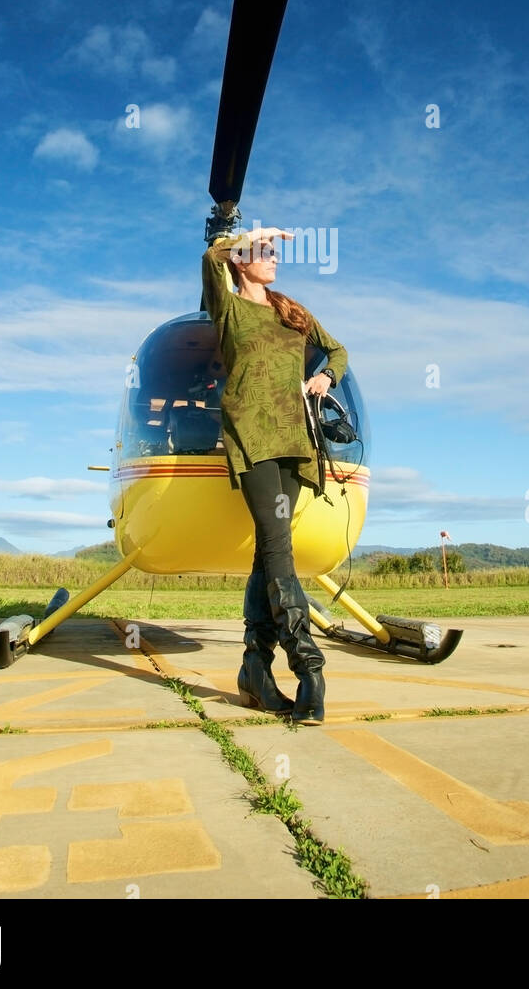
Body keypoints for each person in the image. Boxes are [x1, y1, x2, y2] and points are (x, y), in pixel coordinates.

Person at [201, 226, 347, 724]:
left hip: (294, 440)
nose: (274, 260)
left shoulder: (294, 312)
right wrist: (249, 233)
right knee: (277, 545)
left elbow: (339, 350)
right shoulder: (227, 307)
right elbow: (210, 255)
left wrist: (326, 376)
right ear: (241, 261)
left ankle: (255, 672)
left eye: (272, 253)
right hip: (252, 437)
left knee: (270, 549)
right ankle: (309, 669)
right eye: (264, 253)